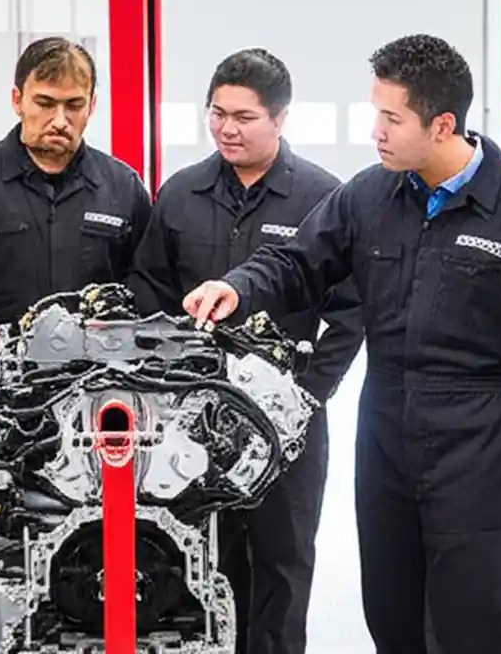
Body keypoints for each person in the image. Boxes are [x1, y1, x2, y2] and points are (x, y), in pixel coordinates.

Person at [182, 34, 501, 653]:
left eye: (391, 118)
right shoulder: (370, 194)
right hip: (384, 438)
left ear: (442, 125)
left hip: (477, 442)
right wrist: (237, 287)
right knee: (390, 612)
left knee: (470, 623)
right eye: (375, 112)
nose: (375, 131)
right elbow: (298, 262)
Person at [0, 36, 153, 654]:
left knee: (99, 554)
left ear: (92, 105)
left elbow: (150, 298)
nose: (58, 119)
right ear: (17, 99)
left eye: (73, 104)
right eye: (44, 103)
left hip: (101, 413)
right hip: (3, 411)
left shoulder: (122, 189)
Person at [127, 48, 363, 654]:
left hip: (287, 421)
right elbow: (149, 293)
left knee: (284, 559)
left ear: (280, 119)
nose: (226, 128)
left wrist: (308, 395)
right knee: (201, 556)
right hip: (193, 420)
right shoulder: (180, 194)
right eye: (217, 113)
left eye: (244, 117)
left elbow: (350, 311)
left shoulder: (323, 198)